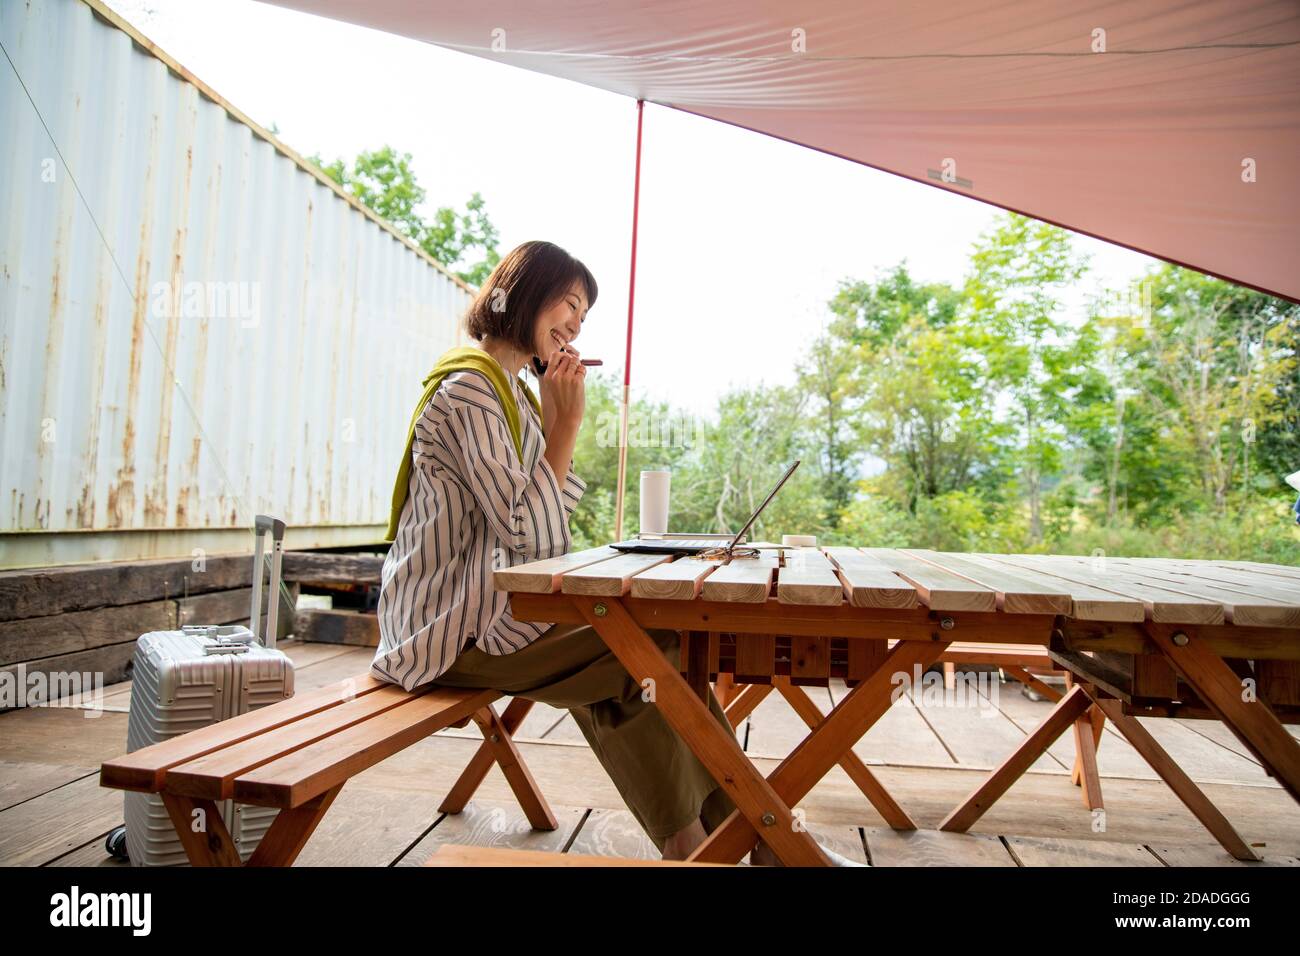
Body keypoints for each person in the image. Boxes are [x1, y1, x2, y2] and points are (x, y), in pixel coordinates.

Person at [371, 239, 778, 863]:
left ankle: (720, 840)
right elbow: (533, 535)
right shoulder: (469, 391)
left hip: (489, 617)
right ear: (526, 293)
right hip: (446, 632)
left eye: (583, 317)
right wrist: (567, 425)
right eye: (569, 304)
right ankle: (741, 839)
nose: (574, 326)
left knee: (640, 655)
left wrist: (555, 424)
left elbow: (545, 536)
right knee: (642, 655)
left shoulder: (514, 397)